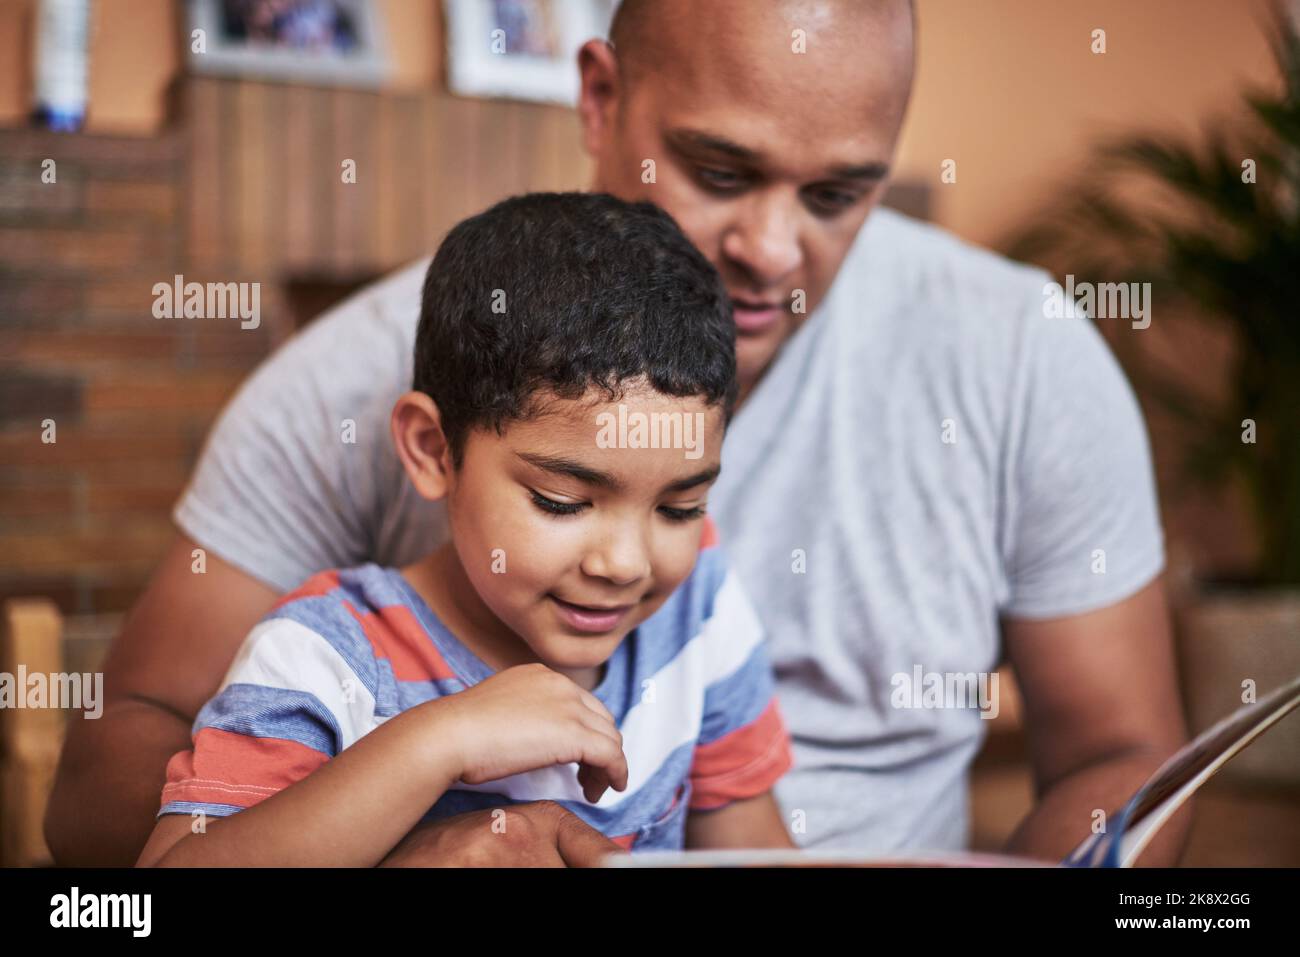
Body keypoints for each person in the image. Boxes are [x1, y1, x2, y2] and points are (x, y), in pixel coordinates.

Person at [47, 0, 1191, 867]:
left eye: (840, 194)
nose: (774, 251)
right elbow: (106, 795)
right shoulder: (353, 387)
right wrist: (396, 839)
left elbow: (1119, 757)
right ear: (597, 98)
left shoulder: (1022, 352)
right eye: (719, 169)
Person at [132, 193, 795, 866]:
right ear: (433, 449)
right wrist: (438, 743)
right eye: (562, 501)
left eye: (680, 508)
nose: (625, 562)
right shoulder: (325, 660)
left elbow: (754, 848)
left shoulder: (697, 608)